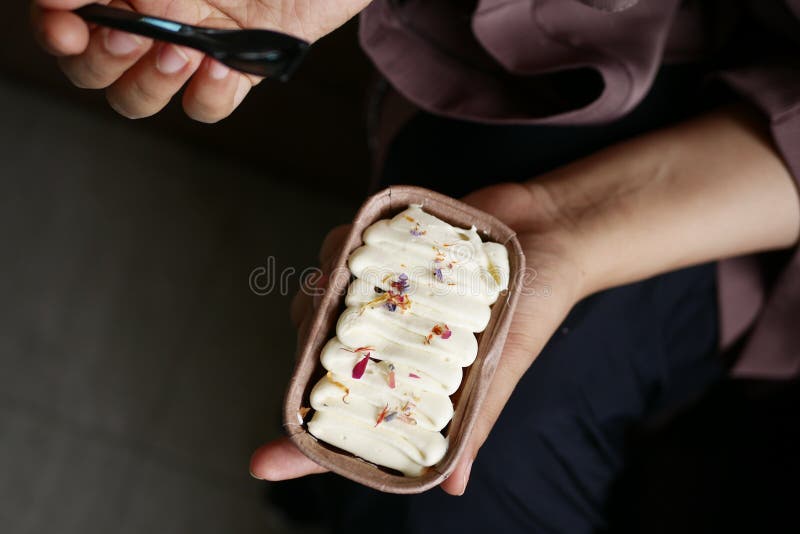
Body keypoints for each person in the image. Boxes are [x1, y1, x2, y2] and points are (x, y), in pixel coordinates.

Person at [32, 1, 800, 532]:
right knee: (476, 476)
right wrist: (568, 224)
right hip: (597, 42)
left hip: (767, 201)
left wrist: (573, 227)